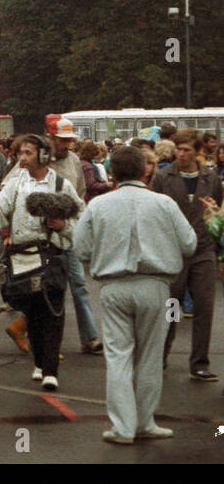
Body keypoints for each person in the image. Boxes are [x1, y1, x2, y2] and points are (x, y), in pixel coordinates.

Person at [73, 146, 197, 444]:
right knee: (150, 357)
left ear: (112, 172)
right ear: (145, 170)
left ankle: (123, 427)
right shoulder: (164, 203)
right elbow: (189, 243)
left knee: (118, 357)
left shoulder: (98, 205)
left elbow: (81, 248)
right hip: (156, 286)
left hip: (113, 286)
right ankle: (145, 421)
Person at [0, 135, 83, 389]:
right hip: (22, 258)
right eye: (20, 153)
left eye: (28, 153)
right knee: (32, 312)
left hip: (52, 256)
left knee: (52, 312)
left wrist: (63, 226)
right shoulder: (15, 184)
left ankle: (51, 371)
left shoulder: (62, 185)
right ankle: (40, 363)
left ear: (43, 155)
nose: (22, 158)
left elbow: (82, 222)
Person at [154, 129, 223, 381]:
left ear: (198, 152)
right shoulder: (163, 177)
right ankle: (160, 354)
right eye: (178, 149)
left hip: (204, 250)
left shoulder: (211, 178)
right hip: (173, 252)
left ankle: (200, 363)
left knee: (204, 308)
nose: (180, 155)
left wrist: (213, 213)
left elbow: (216, 210)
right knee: (171, 306)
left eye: (186, 150)